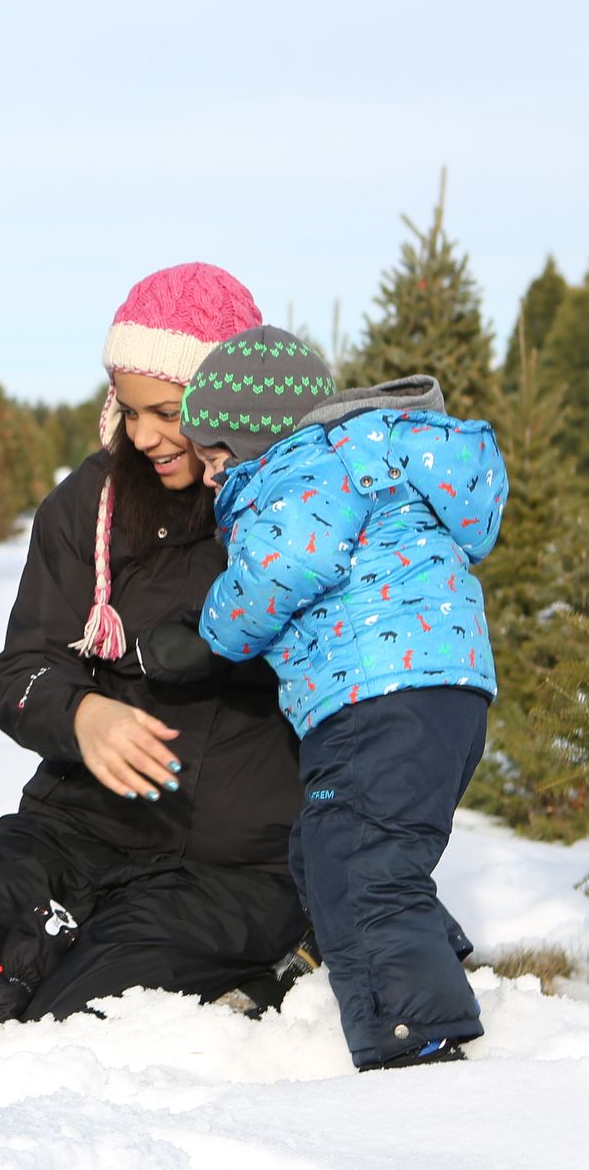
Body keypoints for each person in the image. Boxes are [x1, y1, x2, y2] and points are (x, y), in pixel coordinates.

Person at [0, 263, 309, 1043]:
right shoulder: (86, 504)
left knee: (74, 1015)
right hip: (81, 829)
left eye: (168, 412)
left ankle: (275, 968)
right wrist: (81, 712)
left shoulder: (303, 508)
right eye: (128, 410)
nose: (143, 436)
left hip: (233, 865)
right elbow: (22, 669)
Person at [166, 326, 505, 1069]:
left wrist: (214, 626)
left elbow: (284, 567)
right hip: (447, 694)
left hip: (376, 696)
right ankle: (429, 964)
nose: (213, 475)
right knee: (332, 849)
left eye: (218, 454)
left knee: (360, 863)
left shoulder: (305, 469)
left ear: (259, 440)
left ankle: (416, 1036)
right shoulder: (374, 456)